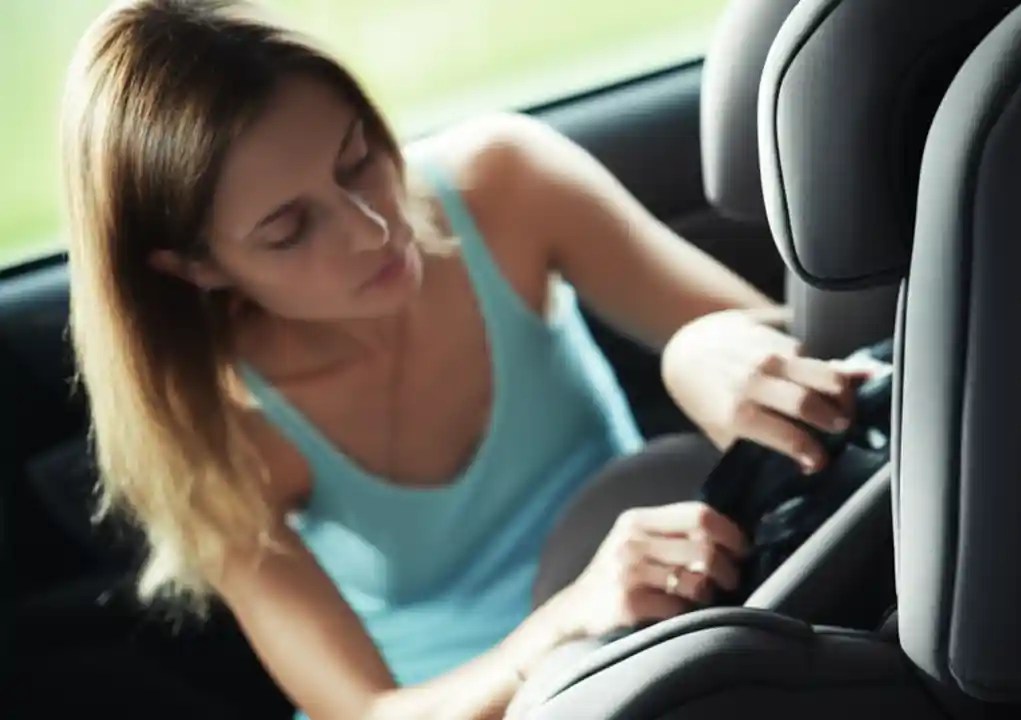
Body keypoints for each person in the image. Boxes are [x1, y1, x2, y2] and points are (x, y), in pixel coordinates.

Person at [62, 1, 865, 718]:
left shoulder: (505, 186)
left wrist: (702, 347)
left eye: (356, 159)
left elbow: (823, 367)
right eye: (287, 230)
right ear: (196, 266)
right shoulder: (219, 429)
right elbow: (368, 712)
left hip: (662, 614)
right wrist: (568, 620)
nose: (371, 228)